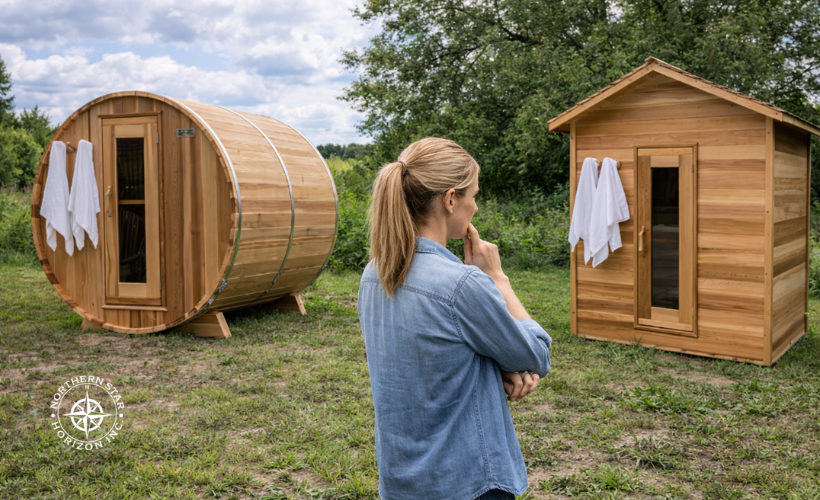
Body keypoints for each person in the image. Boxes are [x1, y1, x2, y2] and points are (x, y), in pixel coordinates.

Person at [357, 137, 554, 500]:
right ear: (450, 199)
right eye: (473, 195)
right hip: (467, 482)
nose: (475, 207)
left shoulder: (373, 274)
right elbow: (537, 356)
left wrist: (495, 370)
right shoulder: (462, 285)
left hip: (402, 482)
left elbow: (432, 362)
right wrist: (498, 279)